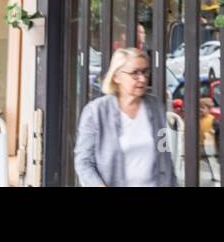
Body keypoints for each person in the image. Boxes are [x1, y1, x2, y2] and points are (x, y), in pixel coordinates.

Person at [74, 47, 175, 187]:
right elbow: (83, 162)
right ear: (117, 76)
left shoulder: (155, 106)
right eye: (134, 73)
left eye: (145, 72)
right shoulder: (96, 112)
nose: (142, 78)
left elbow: (164, 155)